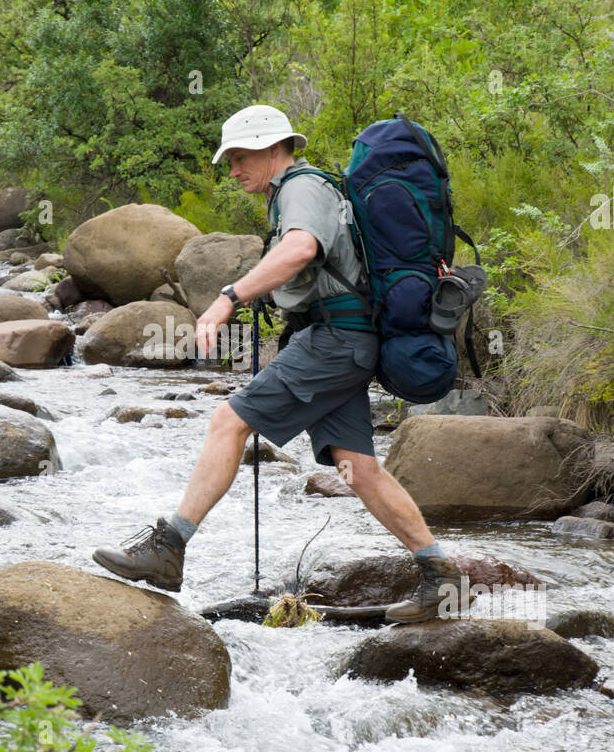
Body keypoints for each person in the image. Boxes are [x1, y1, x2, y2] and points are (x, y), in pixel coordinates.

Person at [92, 105, 464, 623]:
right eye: (230, 161)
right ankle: (441, 579)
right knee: (358, 468)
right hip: (344, 340)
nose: (233, 169)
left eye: (240, 157)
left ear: (273, 149)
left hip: (337, 342)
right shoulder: (295, 192)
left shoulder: (301, 187)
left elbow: (300, 250)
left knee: (229, 420)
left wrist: (230, 297)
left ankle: (168, 549)